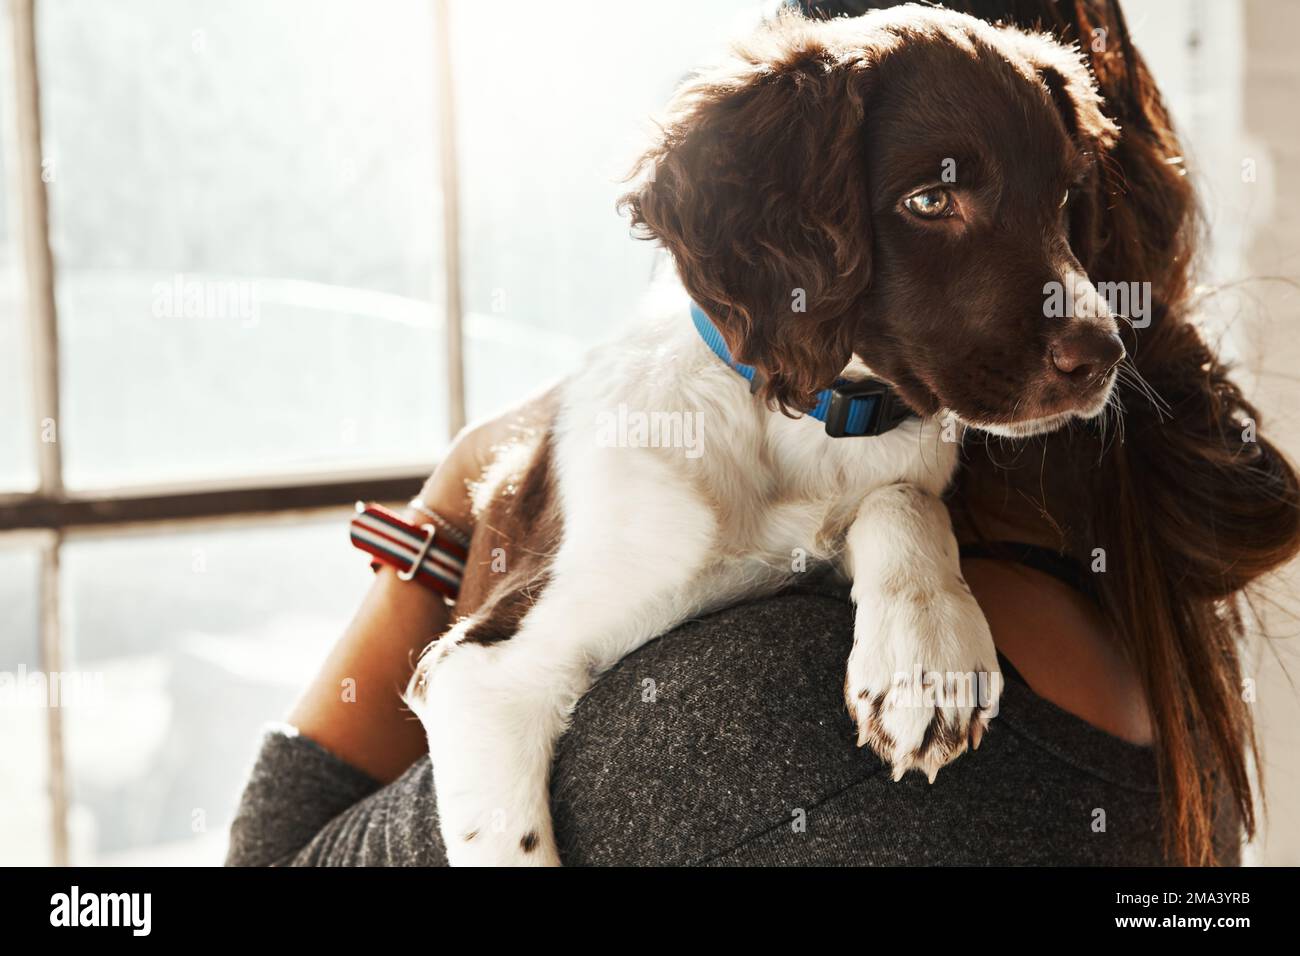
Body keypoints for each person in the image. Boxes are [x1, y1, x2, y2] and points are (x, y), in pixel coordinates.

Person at [225, 0, 1300, 866]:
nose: (1080, 329)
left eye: (1051, 207)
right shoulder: (1169, 665)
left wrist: (451, 500)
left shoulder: (767, 717)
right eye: (937, 201)